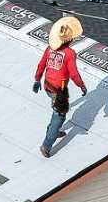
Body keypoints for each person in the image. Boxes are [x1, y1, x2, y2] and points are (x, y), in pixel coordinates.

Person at [32, 16, 89, 158]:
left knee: (55, 110)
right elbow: (74, 74)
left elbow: (41, 65)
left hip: (47, 86)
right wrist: (81, 86)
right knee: (59, 115)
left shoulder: (49, 49)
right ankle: (46, 145)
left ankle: (53, 130)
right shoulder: (69, 54)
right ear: (70, 39)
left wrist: (37, 80)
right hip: (59, 90)